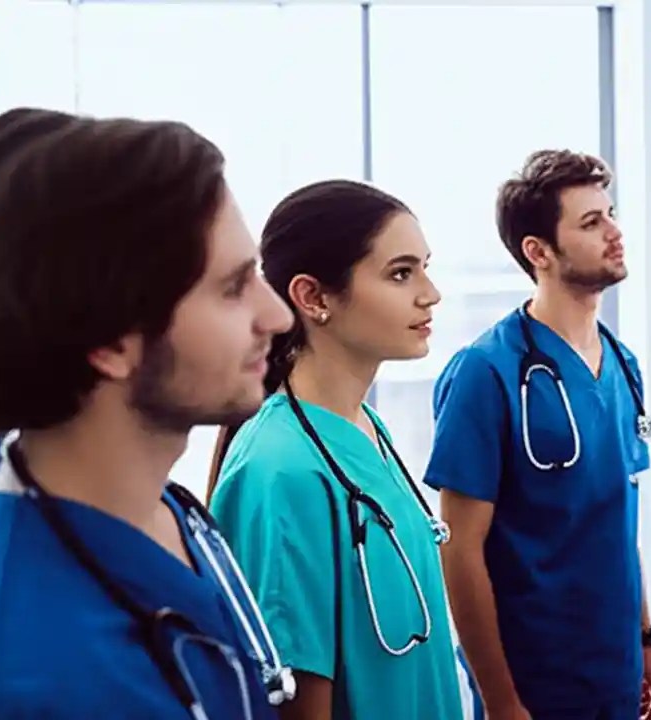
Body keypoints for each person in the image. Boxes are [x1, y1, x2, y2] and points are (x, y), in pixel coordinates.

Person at [0, 107, 296, 718]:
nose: (279, 317)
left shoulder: (176, 520)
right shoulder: (26, 668)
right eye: (233, 287)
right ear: (110, 342)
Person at [205, 180, 464, 719]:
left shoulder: (365, 427)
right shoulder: (281, 469)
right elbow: (296, 702)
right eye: (400, 273)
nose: (430, 293)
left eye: (425, 267)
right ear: (314, 297)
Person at [426, 150, 651, 720]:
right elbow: (460, 550)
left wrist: (647, 643)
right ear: (538, 252)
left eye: (610, 214)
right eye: (590, 223)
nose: (615, 232)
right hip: (535, 689)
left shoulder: (623, 364)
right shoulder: (487, 371)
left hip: (616, 675)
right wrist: (500, 699)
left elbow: (617, 523)